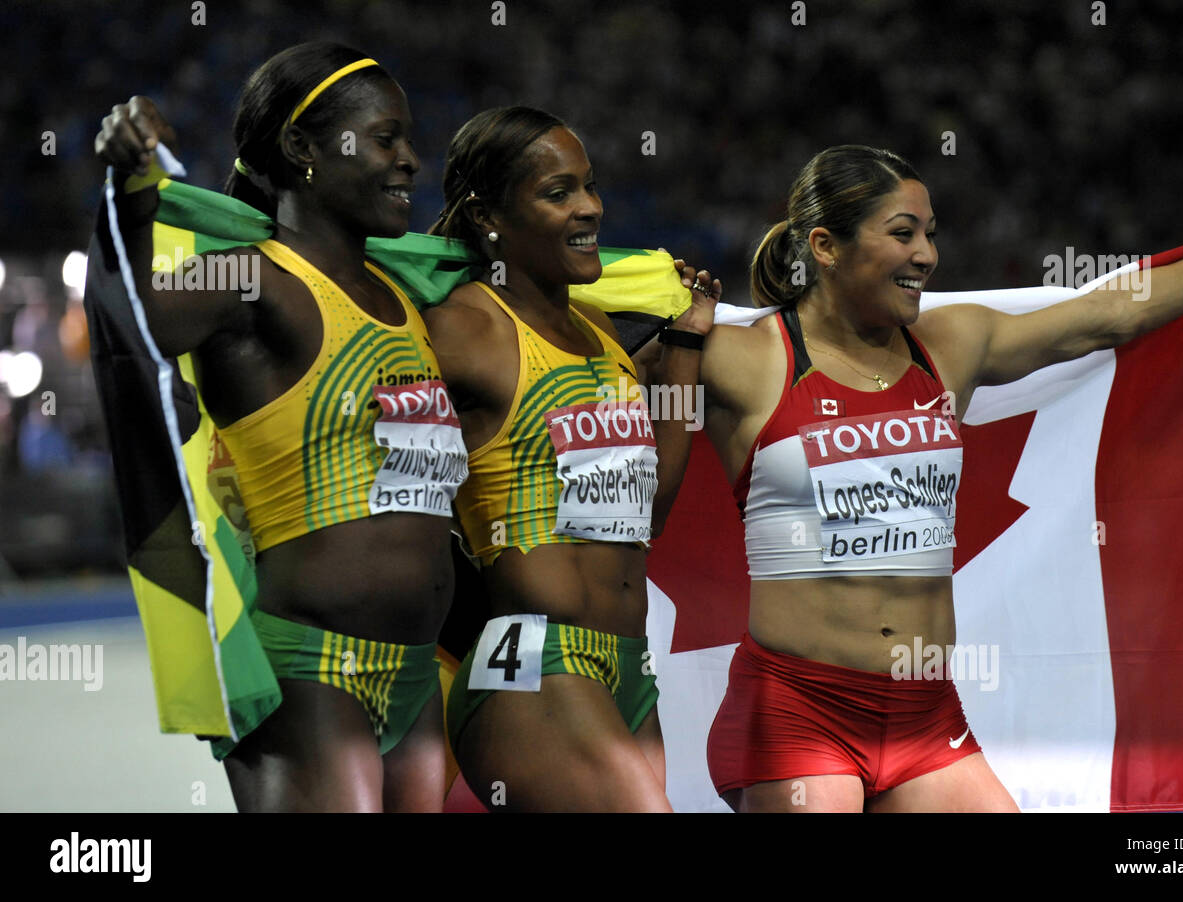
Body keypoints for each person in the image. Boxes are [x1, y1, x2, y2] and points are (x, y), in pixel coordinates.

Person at [701, 145, 1183, 812]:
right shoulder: (745, 359)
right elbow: (586, 368)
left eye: (929, 234)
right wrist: (664, 312)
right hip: (798, 712)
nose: (926, 254)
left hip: (925, 715)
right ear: (825, 246)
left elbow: (1109, 317)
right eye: (903, 233)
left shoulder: (949, 343)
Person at [93, 42, 467, 812]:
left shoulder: (411, 296)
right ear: (302, 148)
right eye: (385, 138)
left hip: (417, 679)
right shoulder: (255, 278)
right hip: (310, 672)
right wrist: (127, 192)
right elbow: (131, 321)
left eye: (408, 140)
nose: (410, 161)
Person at [424, 106, 717, 811]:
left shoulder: (600, 335)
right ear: (489, 216)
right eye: (559, 193)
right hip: (532, 661)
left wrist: (684, 349)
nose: (592, 207)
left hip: (626, 667)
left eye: (589, 186)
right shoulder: (465, 327)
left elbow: (648, 514)